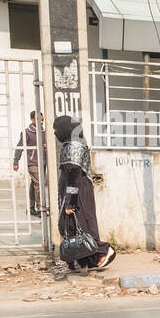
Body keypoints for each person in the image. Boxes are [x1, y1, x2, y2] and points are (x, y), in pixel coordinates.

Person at [54, 116, 115, 271]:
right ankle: (82, 261)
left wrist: (70, 202)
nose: (55, 133)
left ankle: (102, 251)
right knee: (75, 225)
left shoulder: (74, 146)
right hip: (77, 190)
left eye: (56, 129)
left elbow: (73, 176)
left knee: (80, 225)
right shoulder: (74, 143)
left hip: (77, 192)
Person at [12, 111, 41, 217]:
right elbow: (19, 147)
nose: (41, 122)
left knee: (34, 184)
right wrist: (16, 161)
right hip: (33, 163)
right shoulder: (27, 132)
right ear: (32, 119)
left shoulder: (44, 131)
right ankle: (40, 208)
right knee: (39, 184)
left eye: (42, 120)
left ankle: (31, 208)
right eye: (38, 120)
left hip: (43, 162)